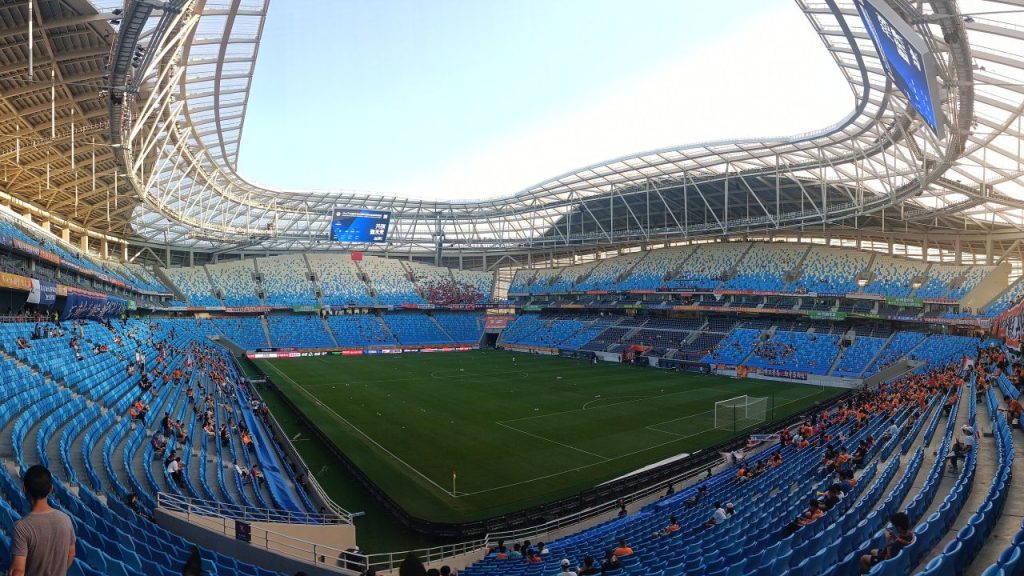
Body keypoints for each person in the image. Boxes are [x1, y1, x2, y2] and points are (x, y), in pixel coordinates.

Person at [9, 465, 76, 576]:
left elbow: (18, 571)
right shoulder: (66, 520)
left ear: (25, 489)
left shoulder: (21, 527)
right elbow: (71, 553)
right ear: (51, 489)